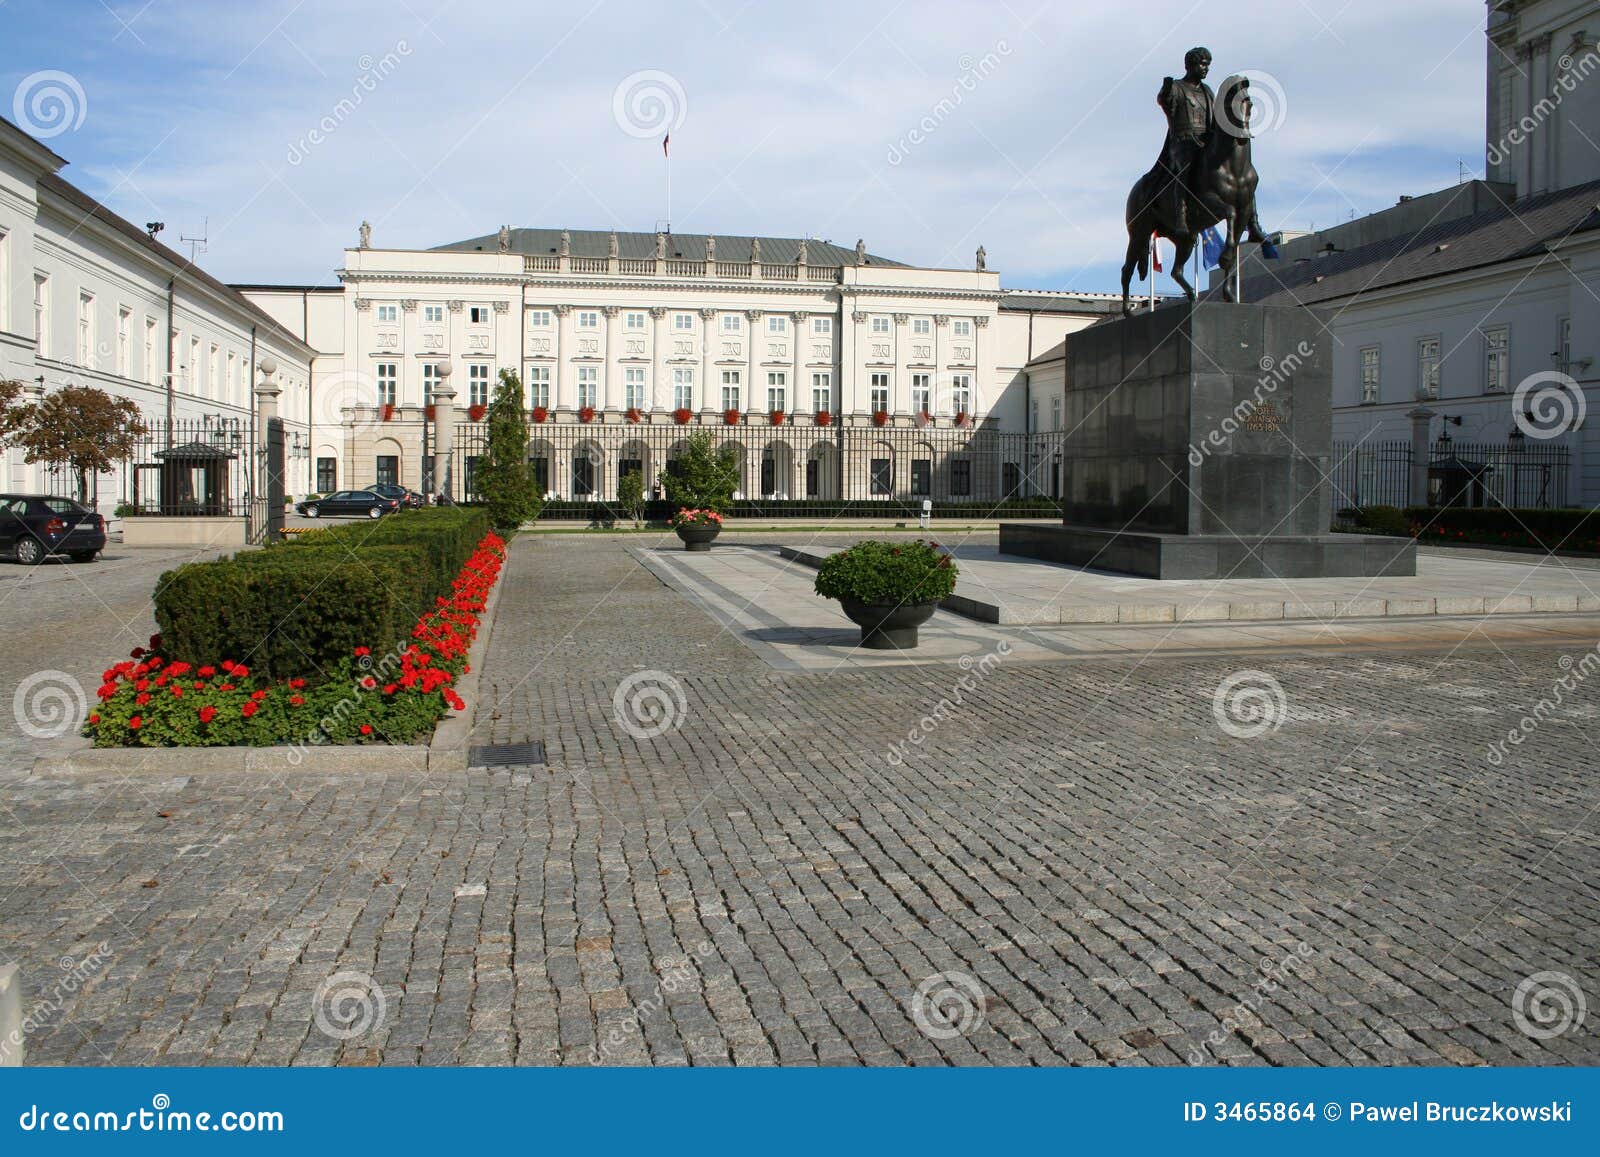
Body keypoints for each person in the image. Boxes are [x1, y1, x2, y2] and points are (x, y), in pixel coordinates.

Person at [1156, 47, 1214, 236]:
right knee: (1186, 166)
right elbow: (1165, 101)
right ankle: (1181, 216)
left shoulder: (1207, 91)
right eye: (1203, 64)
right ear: (1191, 65)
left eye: (1208, 65)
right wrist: (1165, 90)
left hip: (1206, 141)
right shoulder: (1177, 87)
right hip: (1183, 142)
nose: (1206, 68)